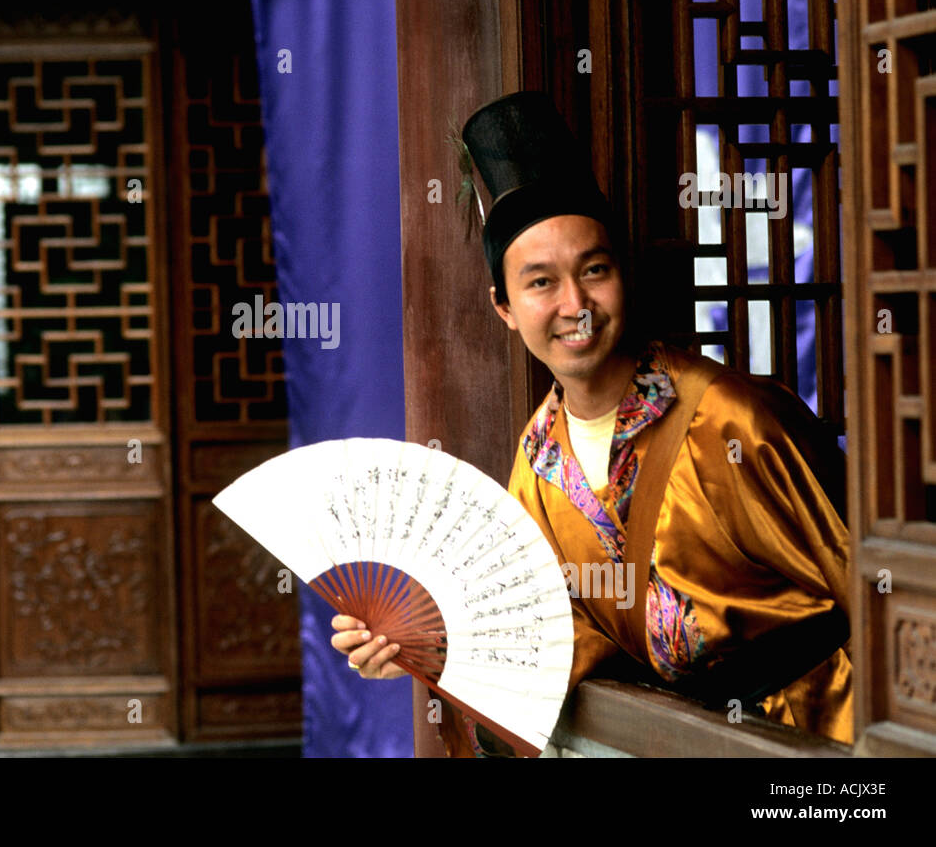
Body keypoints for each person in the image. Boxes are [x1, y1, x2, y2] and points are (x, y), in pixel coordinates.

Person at [330, 91, 852, 756]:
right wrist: (426, 643)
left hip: (813, 739)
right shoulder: (537, 464)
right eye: (541, 283)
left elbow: (861, 581)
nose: (574, 305)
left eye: (594, 271)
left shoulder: (733, 419)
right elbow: (550, 638)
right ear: (505, 308)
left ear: (621, 277)